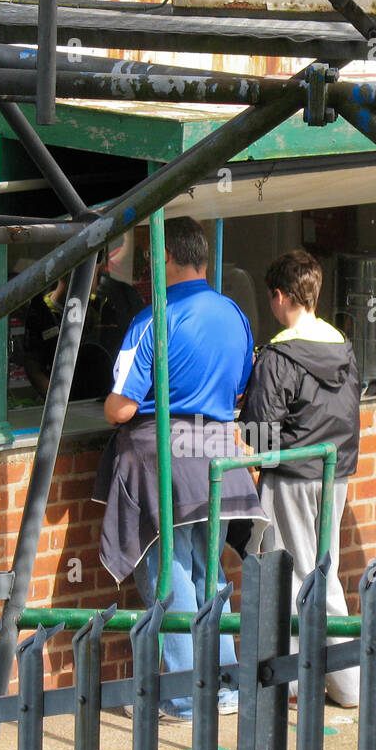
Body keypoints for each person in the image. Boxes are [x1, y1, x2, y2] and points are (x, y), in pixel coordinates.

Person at [93, 217, 266, 721]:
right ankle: (228, 688)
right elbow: (238, 391)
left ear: (165, 259)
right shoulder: (235, 313)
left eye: (152, 259)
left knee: (171, 575)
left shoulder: (152, 319)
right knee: (209, 573)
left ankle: (185, 697)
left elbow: (120, 409)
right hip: (215, 456)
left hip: (161, 460)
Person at [240, 249, 361, 708]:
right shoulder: (343, 347)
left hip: (290, 474)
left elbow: (259, 430)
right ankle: (347, 685)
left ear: (279, 296)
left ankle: (286, 686)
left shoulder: (278, 355)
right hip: (335, 475)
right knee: (324, 575)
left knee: (287, 577)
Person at [19, 267, 143, 401]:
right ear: (64, 273)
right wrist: (55, 402)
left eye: (94, 272)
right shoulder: (41, 314)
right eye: (87, 271)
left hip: (103, 400)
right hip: (61, 404)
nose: (95, 279)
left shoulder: (103, 305)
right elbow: (33, 364)